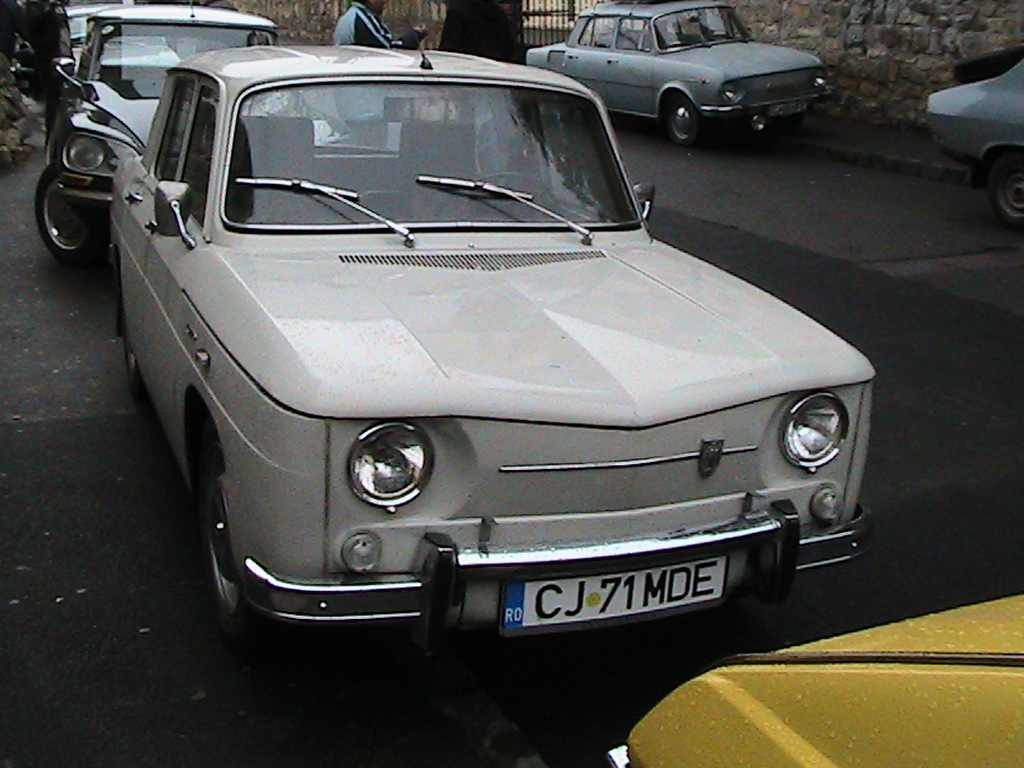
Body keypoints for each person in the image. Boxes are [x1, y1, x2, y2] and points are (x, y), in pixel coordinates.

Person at [23, 0, 70, 135]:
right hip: (50, 60)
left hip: (53, 58)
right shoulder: (43, 10)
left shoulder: (51, 9)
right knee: (54, 101)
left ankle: (55, 132)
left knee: (57, 100)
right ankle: (53, 134)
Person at [438, 0, 516, 62]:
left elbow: (448, 50)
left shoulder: (458, 10)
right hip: (495, 73)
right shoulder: (499, 14)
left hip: (464, 70)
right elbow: (508, 51)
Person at [333, 0, 426, 50]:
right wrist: (415, 36)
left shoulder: (359, 15)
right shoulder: (361, 19)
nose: (384, 1)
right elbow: (387, 50)